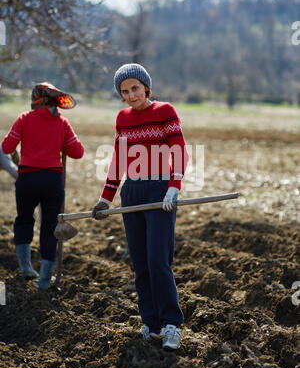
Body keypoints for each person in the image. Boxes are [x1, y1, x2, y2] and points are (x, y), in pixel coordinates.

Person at [92, 63, 189, 350]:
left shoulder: (165, 111)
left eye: (135, 88)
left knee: (159, 260)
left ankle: (171, 324)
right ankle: (151, 324)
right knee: (141, 263)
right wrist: (106, 197)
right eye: (124, 91)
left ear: (146, 87)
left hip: (159, 190)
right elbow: (118, 160)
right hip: (132, 191)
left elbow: (179, 150)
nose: (131, 95)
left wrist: (174, 186)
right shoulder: (122, 118)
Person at [1, 82, 84, 290]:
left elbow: (6, 147)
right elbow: (78, 152)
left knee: (23, 220)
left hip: (27, 179)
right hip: (52, 180)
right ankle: (45, 280)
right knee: (50, 228)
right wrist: (61, 141)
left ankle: (26, 267)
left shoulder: (24, 119)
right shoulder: (62, 123)